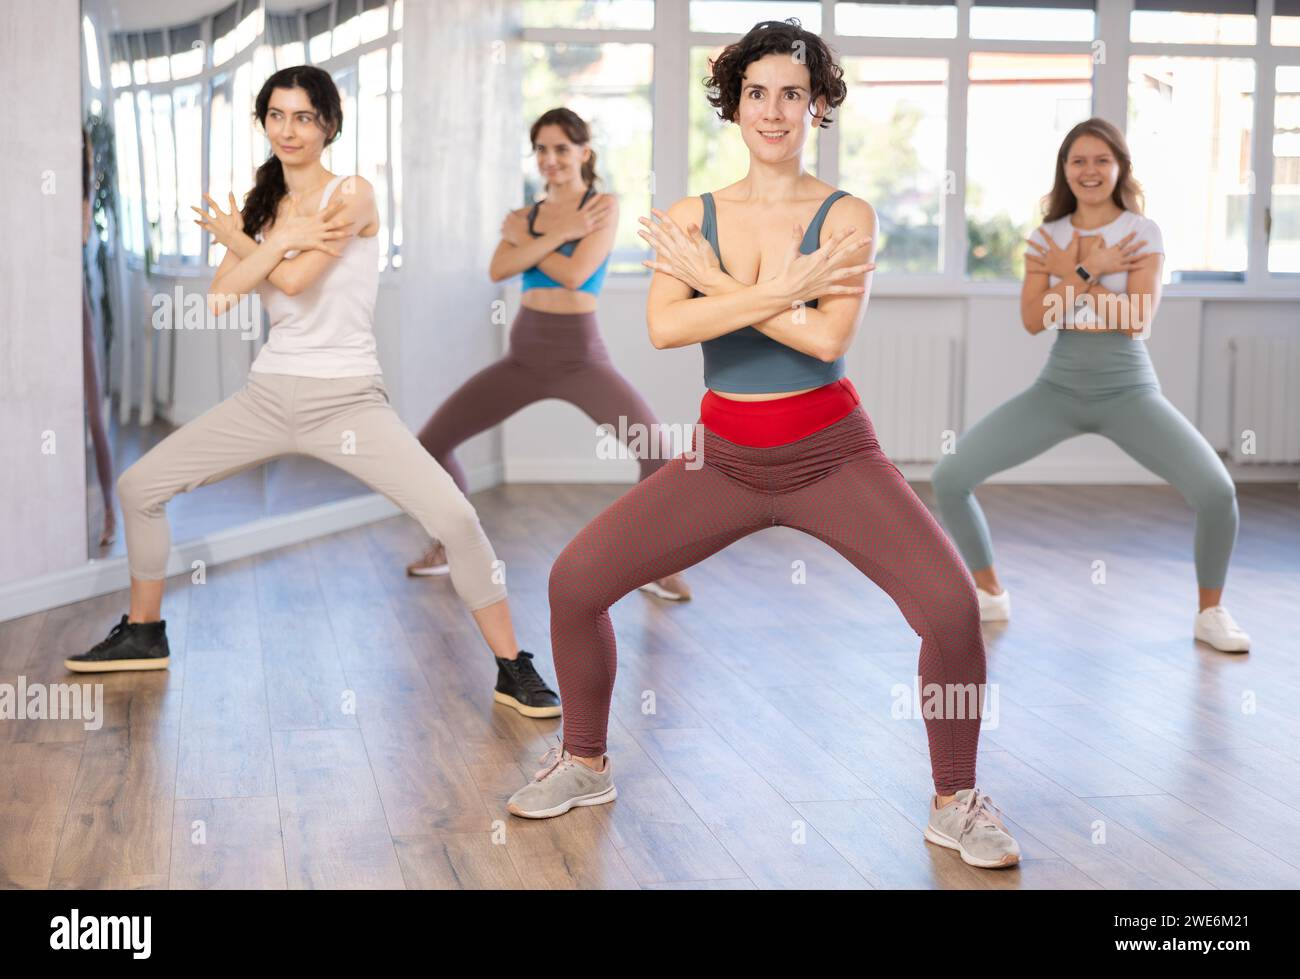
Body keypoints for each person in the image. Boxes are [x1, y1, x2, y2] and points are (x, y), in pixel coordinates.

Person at [505, 19, 1021, 870]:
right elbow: (667, 327)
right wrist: (780, 289)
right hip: (723, 458)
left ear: (818, 105)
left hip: (832, 453)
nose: (774, 110)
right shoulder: (692, 214)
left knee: (953, 609)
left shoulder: (847, 214)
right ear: (734, 104)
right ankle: (586, 761)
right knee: (572, 582)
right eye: (757, 93)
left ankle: (956, 800)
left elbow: (825, 341)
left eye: (792, 93)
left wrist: (717, 280)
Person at [66, 66, 560, 719]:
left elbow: (294, 282)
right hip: (267, 396)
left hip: (347, 400)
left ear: (329, 124)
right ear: (264, 121)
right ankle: (145, 631)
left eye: (303, 116)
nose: (289, 129)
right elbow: (220, 298)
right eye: (276, 114)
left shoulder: (351, 193)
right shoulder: (261, 204)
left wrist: (256, 245)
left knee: (456, 519)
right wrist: (266, 238)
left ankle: (511, 665)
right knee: (138, 487)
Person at [931, 117, 1249, 654]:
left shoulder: (1141, 234)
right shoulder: (1045, 237)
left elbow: (1137, 320)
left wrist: (1077, 274)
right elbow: (1035, 319)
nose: (1089, 170)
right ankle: (990, 593)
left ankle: (1210, 612)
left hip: (1128, 388)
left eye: (1102, 159)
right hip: (1058, 387)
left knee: (1217, 492)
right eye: (1078, 160)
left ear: (1120, 166)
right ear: (1065, 169)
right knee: (950, 475)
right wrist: (1085, 272)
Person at [405, 108, 690, 602]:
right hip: (525, 354)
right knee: (430, 443)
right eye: (541, 149)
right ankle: (451, 545)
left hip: (580, 356)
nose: (551, 159)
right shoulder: (526, 215)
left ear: (584, 151)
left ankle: (653, 563)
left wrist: (530, 244)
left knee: (658, 454)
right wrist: (554, 234)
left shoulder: (602, 206)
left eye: (562, 148)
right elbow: (499, 268)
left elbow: (578, 273)